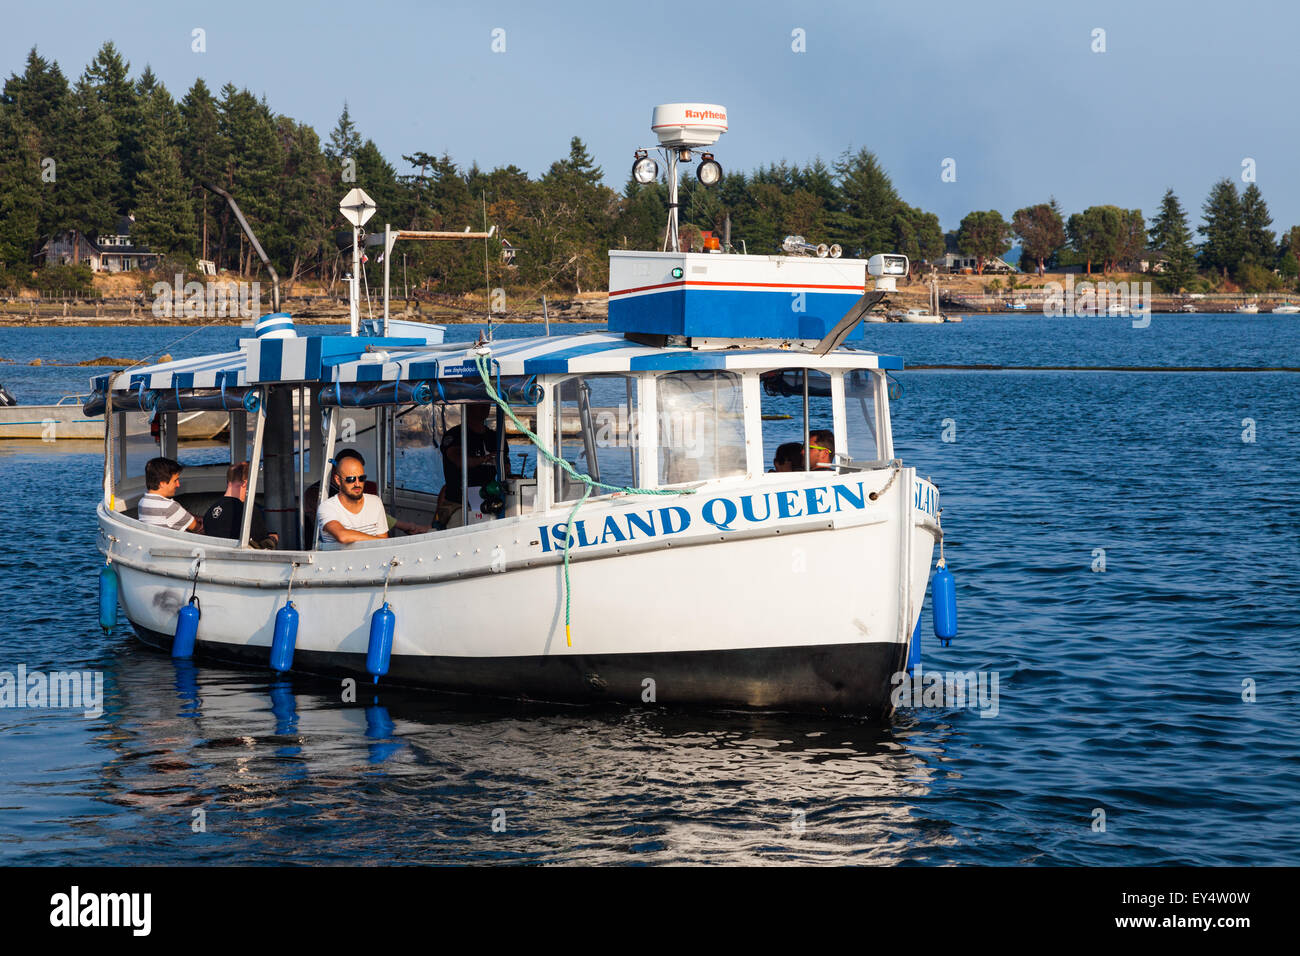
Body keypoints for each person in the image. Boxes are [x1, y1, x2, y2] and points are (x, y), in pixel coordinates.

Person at [438, 403, 501, 521]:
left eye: (486, 401)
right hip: (458, 502)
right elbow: (459, 460)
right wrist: (484, 459)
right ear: (468, 407)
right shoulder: (455, 435)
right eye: (477, 402)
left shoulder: (495, 437)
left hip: (489, 501)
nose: (484, 405)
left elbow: (506, 469)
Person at [316, 450, 389, 549]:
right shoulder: (327, 507)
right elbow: (343, 536)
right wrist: (378, 541)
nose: (357, 484)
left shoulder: (375, 502)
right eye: (351, 479)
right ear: (338, 480)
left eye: (361, 478)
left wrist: (381, 542)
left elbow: (383, 543)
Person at [202, 461, 278, 548]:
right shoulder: (248, 511)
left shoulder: (210, 512)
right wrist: (273, 539)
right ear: (245, 483)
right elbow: (263, 544)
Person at [138, 457, 202, 532]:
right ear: (162, 483)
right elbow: (198, 528)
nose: (178, 485)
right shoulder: (169, 507)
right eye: (175, 480)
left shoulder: (142, 502)